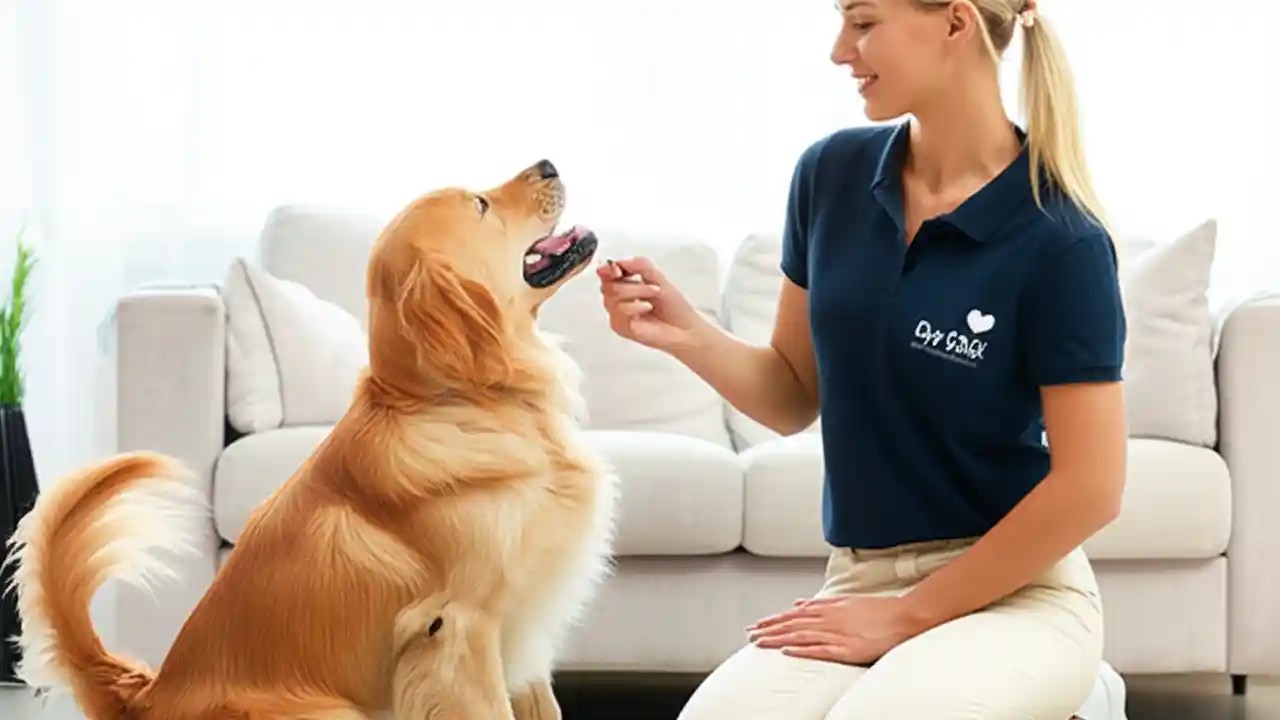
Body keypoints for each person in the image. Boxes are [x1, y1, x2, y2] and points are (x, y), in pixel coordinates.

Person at [597, 0, 1131, 718]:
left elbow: (1092, 488)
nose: (839, 50)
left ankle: (1078, 694)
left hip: (1016, 590)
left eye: (863, 22)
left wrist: (908, 615)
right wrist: (686, 331)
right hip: (862, 579)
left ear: (956, 23)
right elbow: (792, 395)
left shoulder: (1060, 238)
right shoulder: (831, 176)